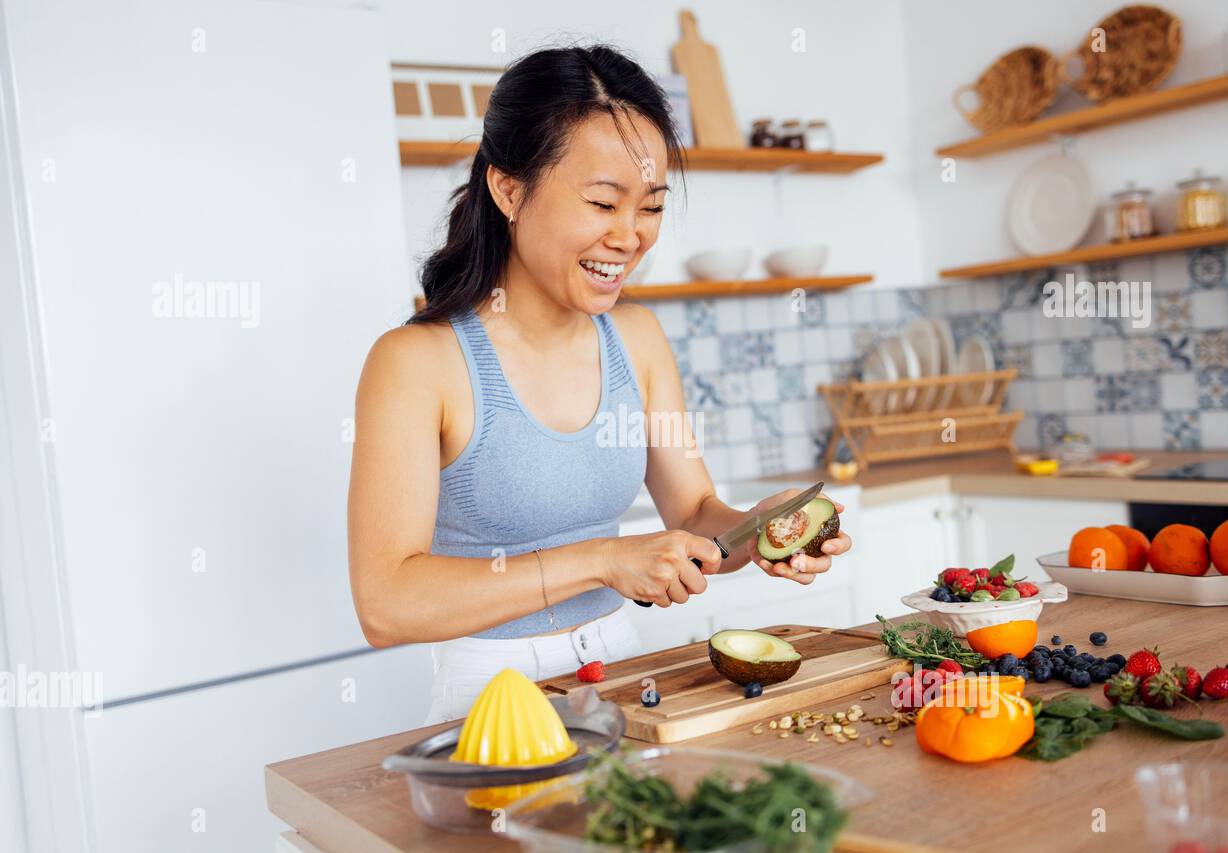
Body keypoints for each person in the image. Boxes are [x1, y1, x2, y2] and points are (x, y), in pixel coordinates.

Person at [346, 44, 853, 726]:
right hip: (487, 693)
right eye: (603, 202)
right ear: (509, 190)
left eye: (649, 206)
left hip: (622, 667)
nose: (630, 236)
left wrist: (762, 526)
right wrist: (602, 560)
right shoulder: (416, 362)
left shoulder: (637, 342)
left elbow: (696, 512)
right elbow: (386, 602)